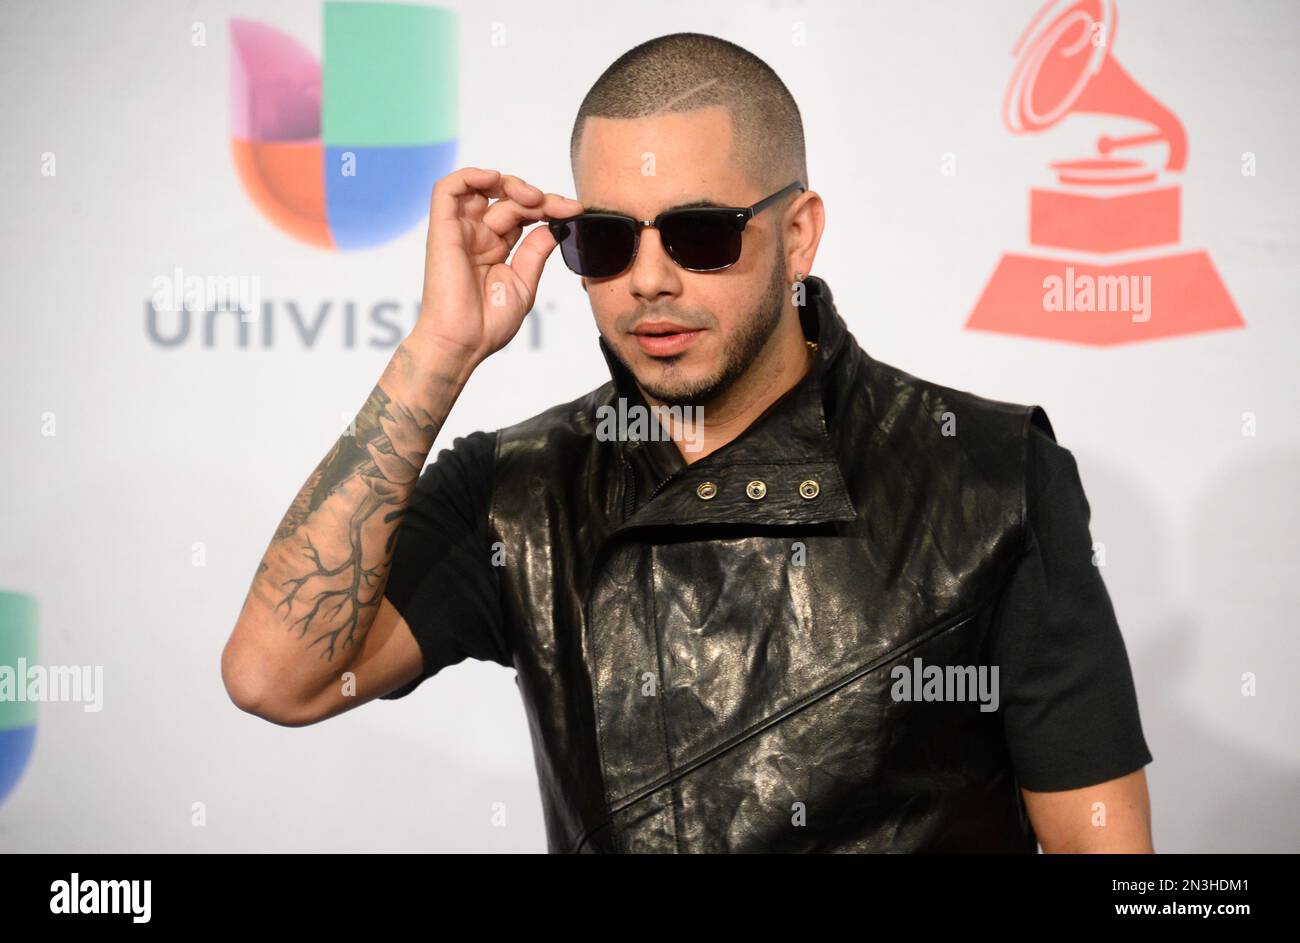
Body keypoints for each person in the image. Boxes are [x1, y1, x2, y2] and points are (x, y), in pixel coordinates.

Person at [222, 32, 1153, 853]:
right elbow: (275, 677)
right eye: (606, 240)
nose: (649, 282)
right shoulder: (521, 491)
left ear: (798, 235)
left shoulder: (988, 474)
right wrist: (438, 350)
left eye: (701, 234)